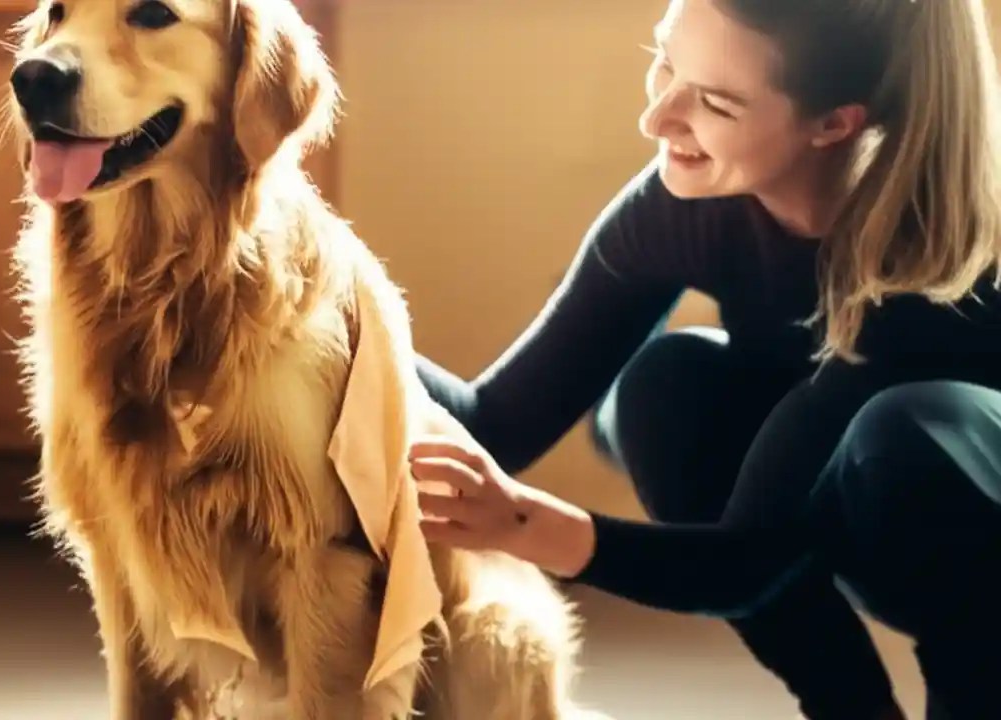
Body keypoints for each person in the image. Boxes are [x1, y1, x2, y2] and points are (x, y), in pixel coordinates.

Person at [409, 1, 1001, 718]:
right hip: (825, 491)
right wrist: (333, 301)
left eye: (715, 102)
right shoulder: (684, 206)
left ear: (834, 124)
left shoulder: (928, 266)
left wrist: (525, 525)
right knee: (663, 387)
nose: (655, 118)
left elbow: (744, 562)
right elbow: (494, 422)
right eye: (663, 59)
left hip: (956, 543)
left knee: (910, 432)